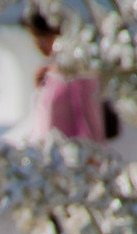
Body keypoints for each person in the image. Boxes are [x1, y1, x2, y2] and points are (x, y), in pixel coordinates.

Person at [25, 11, 109, 143]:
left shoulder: (78, 72)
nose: (39, 45)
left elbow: (88, 119)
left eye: (42, 38)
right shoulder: (49, 74)